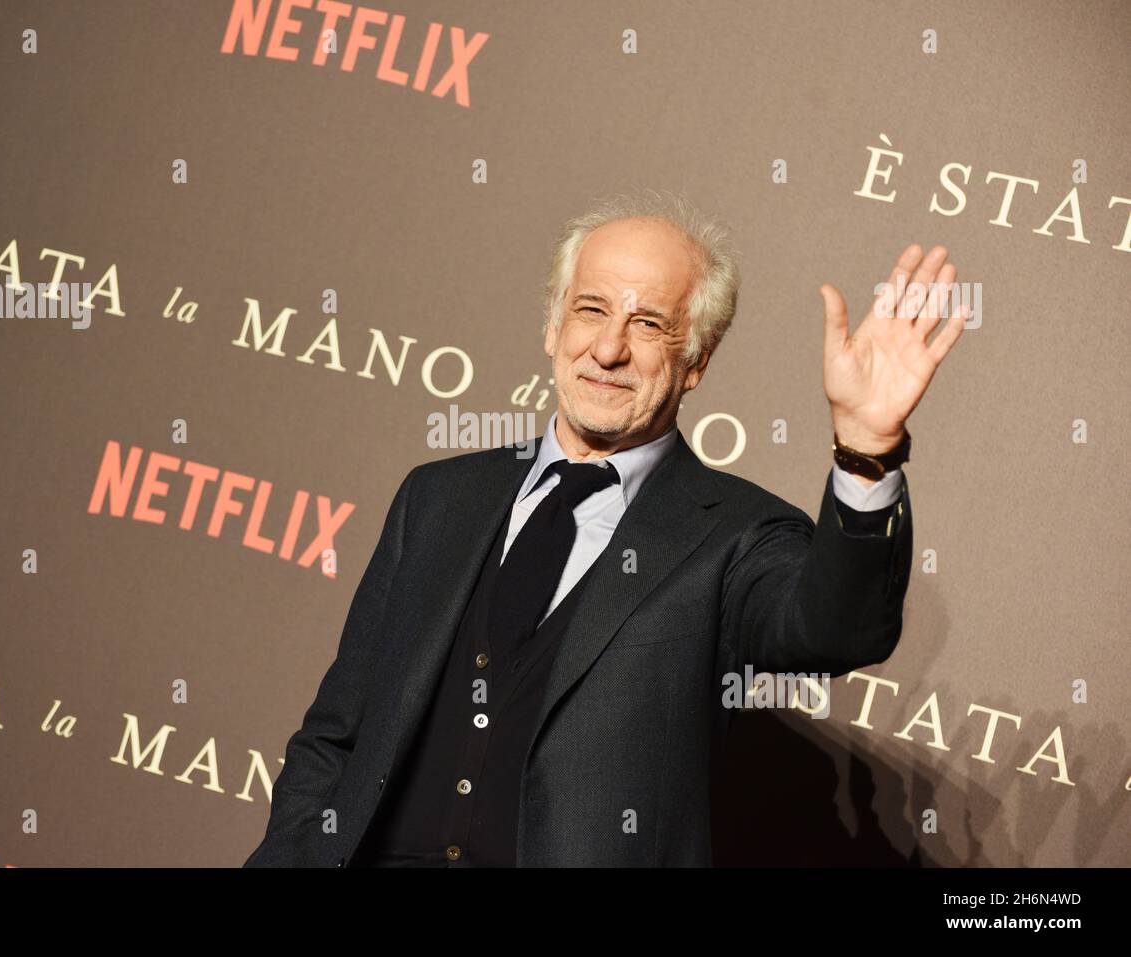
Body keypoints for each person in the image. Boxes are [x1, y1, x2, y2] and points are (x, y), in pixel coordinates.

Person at [243, 189, 966, 867]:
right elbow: (337, 732)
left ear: (696, 363)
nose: (609, 348)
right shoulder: (438, 498)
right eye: (591, 310)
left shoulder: (735, 534)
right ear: (553, 325)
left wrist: (866, 451)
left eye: (648, 323)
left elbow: (834, 630)